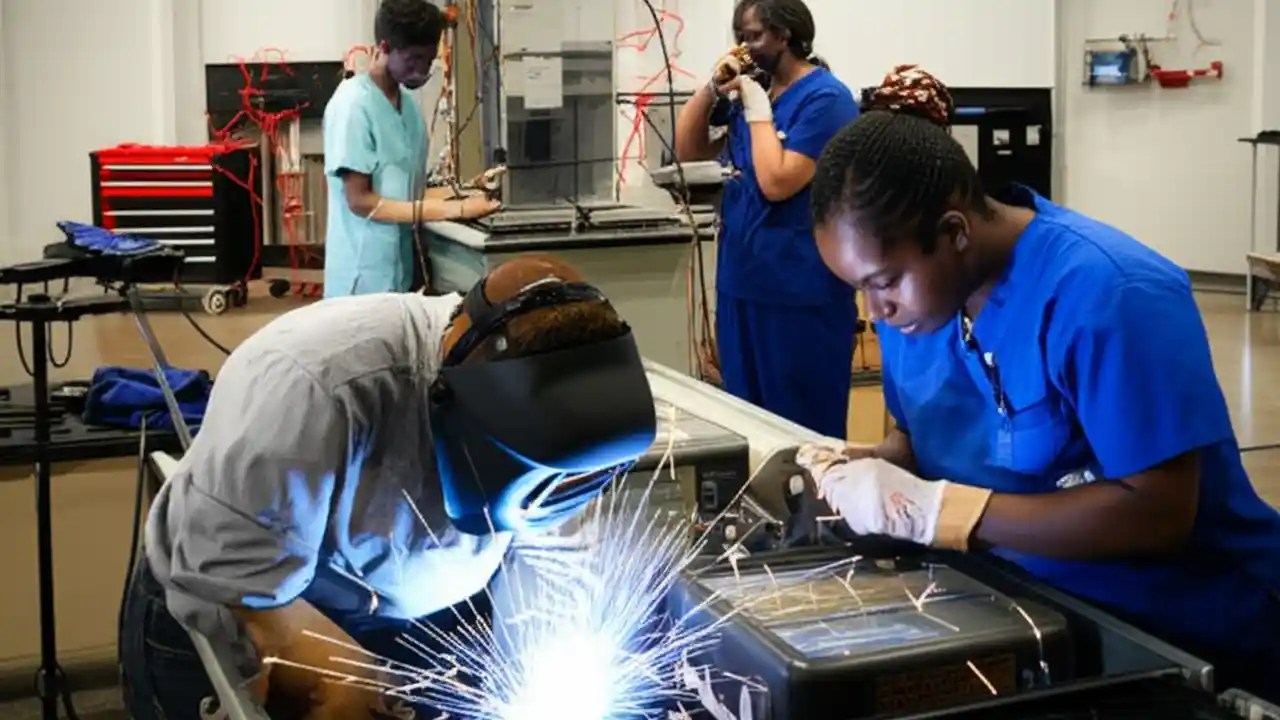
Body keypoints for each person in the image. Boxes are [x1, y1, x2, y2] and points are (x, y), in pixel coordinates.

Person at [799, 65, 1280, 700]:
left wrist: (948, 513)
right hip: (1029, 610)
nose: (874, 311)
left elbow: (1161, 511)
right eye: (859, 289)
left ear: (953, 233)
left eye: (882, 283)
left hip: (1191, 635)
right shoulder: (918, 308)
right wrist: (873, 474)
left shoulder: (1109, 294)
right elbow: (924, 433)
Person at [119, 255, 658, 719]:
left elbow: (557, 561)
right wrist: (342, 677)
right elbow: (242, 595)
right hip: (240, 601)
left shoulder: (576, 420)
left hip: (406, 618)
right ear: (450, 388)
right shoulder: (315, 389)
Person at [674, 0, 859, 439]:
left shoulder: (826, 100)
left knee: (801, 434)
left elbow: (777, 181)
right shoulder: (753, 91)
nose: (745, 48)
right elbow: (688, 151)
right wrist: (712, 90)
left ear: (786, 34)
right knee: (745, 429)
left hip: (798, 295)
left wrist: (757, 108)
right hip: (743, 286)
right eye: (740, 35)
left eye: (754, 36)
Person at [323, 0, 503, 298]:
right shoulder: (353, 106)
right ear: (384, 47)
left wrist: (471, 192)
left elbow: (408, 193)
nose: (421, 69)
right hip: (362, 276)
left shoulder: (408, 109)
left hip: (400, 273)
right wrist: (455, 208)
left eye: (428, 59)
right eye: (413, 59)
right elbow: (361, 201)